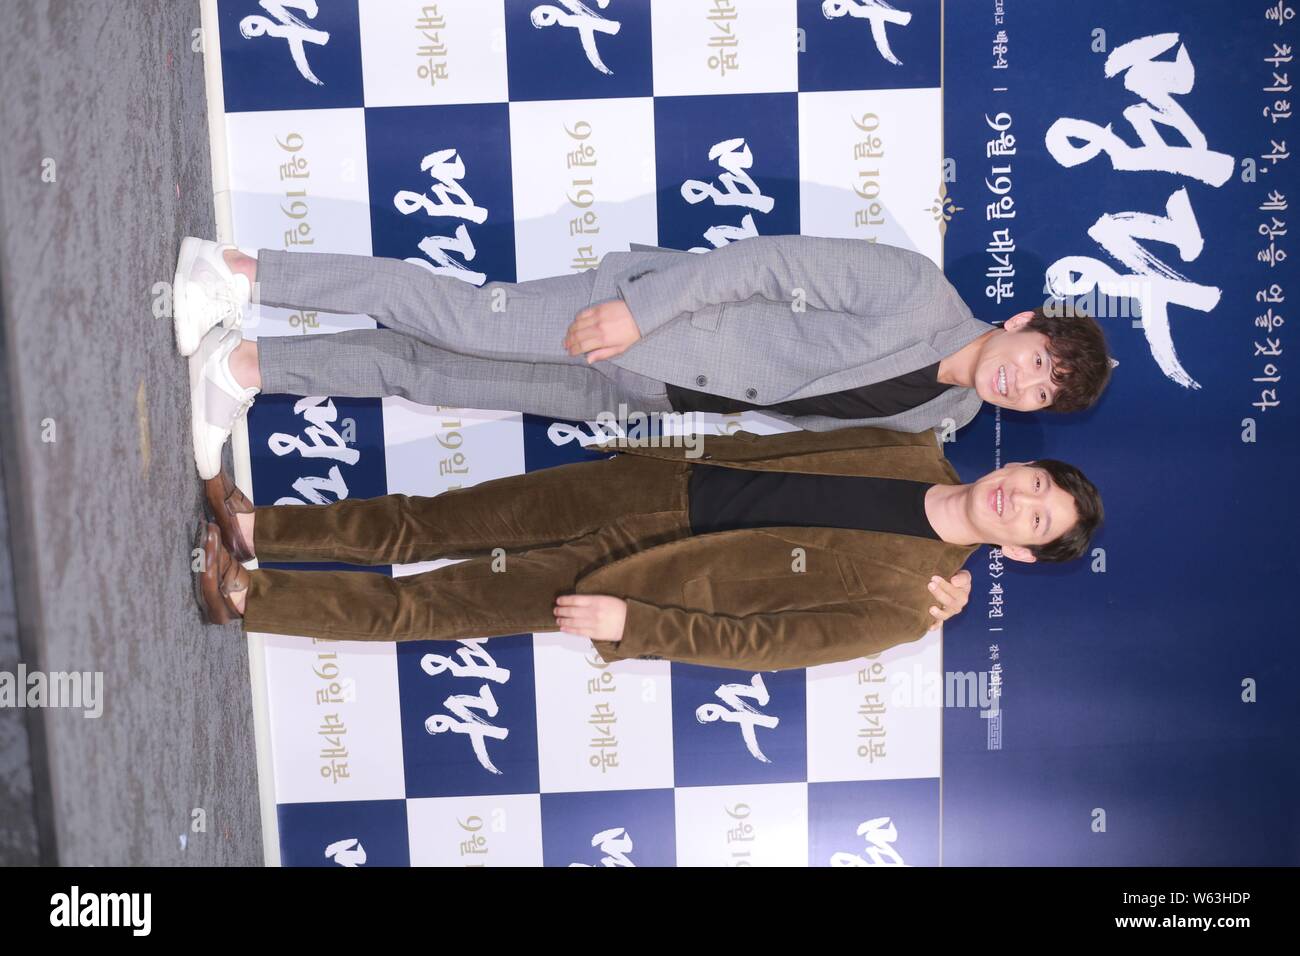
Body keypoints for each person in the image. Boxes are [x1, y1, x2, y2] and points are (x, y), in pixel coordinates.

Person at [173, 235, 1113, 480]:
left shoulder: (940, 420)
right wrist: (635, 311)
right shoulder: (916, 288)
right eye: (1036, 359)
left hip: (654, 395)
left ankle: (244, 367)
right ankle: (237, 271)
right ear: (1021, 319)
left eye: (1039, 395)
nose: (1021, 382)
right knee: (457, 315)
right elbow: (764, 263)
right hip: (646, 324)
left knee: (432, 372)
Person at [194, 423, 1103, 672]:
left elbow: (770, 647)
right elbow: (769, 443)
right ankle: (259, 529)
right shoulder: (910, 447)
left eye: (1035, 519)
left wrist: (638, 624)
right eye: (1033, 485)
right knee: (431, 519)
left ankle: (248, 598)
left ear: (1019, 554)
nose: (1019, 501)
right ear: (1017, 464)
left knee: (430, 605)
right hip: (645, 488)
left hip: (635, 579)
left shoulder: (913, 603)